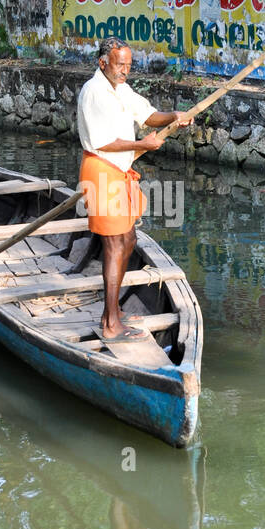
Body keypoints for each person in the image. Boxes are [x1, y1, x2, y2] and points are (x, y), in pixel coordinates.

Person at [77, 36, 194, 340]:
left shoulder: (121, 90)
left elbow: (147, 115)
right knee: (115, 245)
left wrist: (174, 117)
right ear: (103, 63)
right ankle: (109, 322)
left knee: (127, 240)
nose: (124, 70)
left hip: (120, 172)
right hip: (102, 171)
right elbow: (104, 142)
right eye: (119, 65)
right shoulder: (94, 92)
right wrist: (143, 143)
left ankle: (114, 310)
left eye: (128, 65)